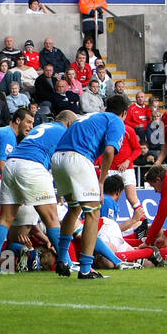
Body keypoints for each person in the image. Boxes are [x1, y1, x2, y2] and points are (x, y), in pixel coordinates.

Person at [0, 110, 79, 274]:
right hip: (32, 166)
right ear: (70, 124)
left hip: (11, 164)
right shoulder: (64, 132)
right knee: (51, 218)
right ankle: (67, 262)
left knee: (5, 218)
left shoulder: (43, 127)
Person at [52, 95, 131, 278]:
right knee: (93, 213)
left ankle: (63, 260)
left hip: (58, 158)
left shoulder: (94, 116)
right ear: (124, 113)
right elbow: (110, 150)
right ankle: (86, 269)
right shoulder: (116, 121)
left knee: (74, 209)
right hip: (78, 158)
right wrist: (102, 181)